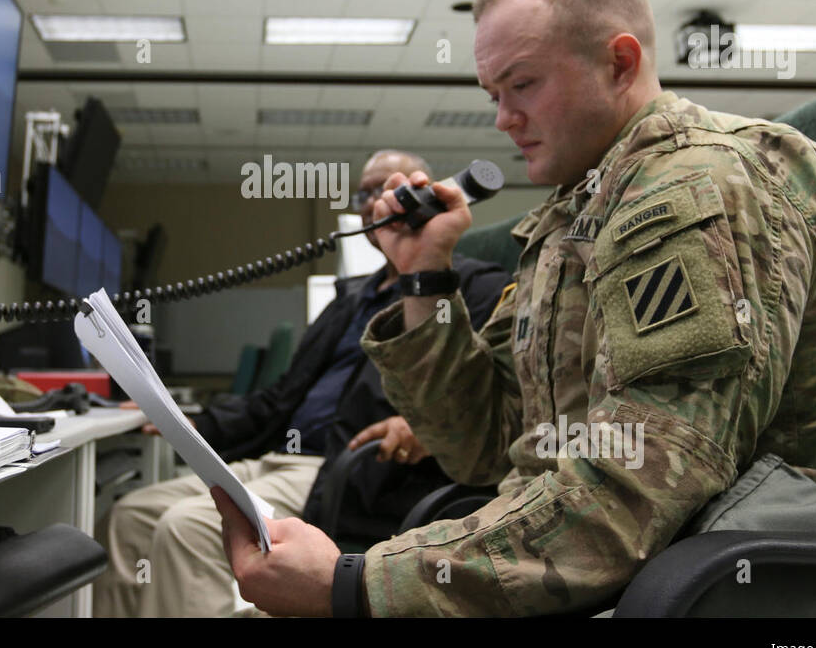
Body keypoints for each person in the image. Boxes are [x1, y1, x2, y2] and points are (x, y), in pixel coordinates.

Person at [212, 0, 816, 617]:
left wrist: (359, 587)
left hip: (739, 580)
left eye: (523, 84)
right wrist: (422, 274)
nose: (503, 118)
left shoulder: (687, 194)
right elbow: (484, 446)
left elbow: (637, 492)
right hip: (629, 567)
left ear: (619, 62)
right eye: (494, 93)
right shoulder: (580, 212)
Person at [92, 149, 511, 617]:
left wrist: (422, 424)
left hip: (347, 467)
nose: (377, 202)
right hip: (278, 456)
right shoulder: (348, 300)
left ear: (428, 195)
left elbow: (492, 394)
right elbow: (278, 400)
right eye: (365, 193)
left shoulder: (473, 284)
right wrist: (187, 421)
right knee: (127, 516)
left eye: (392, 189)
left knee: (186, 527)